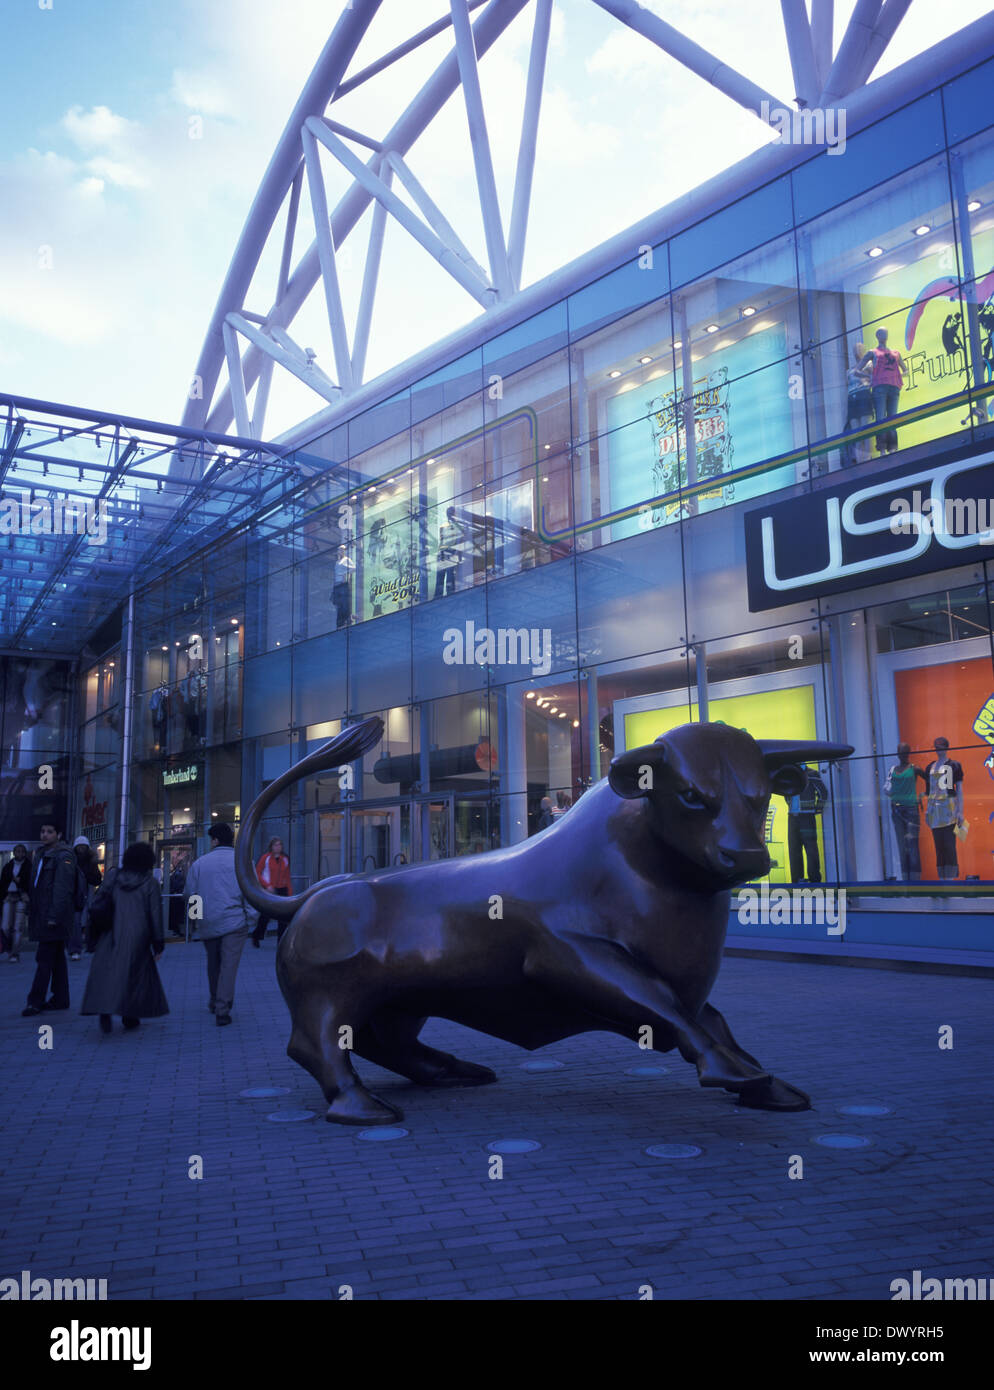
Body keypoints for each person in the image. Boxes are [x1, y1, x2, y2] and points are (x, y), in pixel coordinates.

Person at [80, 841, 168, 1034]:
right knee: (135, 975)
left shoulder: (113, 876)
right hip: (139, 933)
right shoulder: (149, 882)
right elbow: (155, 912)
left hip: (111, 930)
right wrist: (158, 941)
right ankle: (130, 1014)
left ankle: (105, 1008)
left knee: (107, 970)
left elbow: (98, 901)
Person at [184, 822, 252, 1027]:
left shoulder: (199, 864)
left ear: (214, 840)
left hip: (208, 922)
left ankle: (215, 1000)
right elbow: (251, 892)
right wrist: (251, 918)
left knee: (213, 964)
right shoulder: (242, 862)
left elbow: (190, 894)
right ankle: (222, 1009)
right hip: (234, 921)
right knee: (228, 967)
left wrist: (196, 919)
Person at [22, 823, 76, 1017]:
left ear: (59, 834)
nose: (44, 835)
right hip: (43, 914)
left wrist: (53, 916)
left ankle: (35, 1001)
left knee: (44, 959)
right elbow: (36, 885)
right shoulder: (41, 854)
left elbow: (62, 889)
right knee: (56, 959)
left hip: (53, 916)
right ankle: (61, 998)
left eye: (49, 832)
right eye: (42, 831)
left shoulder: (64, 856)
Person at [859, 327, 907, 455]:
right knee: (880, 418)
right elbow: (858, 370)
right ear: (877, 336)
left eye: (885, 333)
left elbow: (905, 369)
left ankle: (892, 447)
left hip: (894, 387)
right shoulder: (872, 352)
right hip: (879, 387)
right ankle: (882, 449)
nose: (884, 335)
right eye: (881, 333)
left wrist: (901, 376)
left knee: (892, 417)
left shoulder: (896, 353)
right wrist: (870, 376)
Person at [883, 743, 926, 881]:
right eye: (900, 752)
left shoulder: (915, 769)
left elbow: (931, 781)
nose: (901, 755)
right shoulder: (892, 769)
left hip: (911, 810)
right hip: (896, 810)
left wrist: (922, 795)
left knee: (913, 847)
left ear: (908, 753)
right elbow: (887, 788)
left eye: (904, 752)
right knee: (902, 847)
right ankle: (906, 882)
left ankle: (916, 883)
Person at [923, 737, 965, 880]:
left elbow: (959, 789)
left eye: (940, 746)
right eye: (936, 746)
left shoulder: (954, 765)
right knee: (939, 845)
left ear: (947, 747)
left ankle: (951, 878)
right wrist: (927, 811)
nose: (937, 749)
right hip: (935, 811)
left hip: (949, 809)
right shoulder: (930, 767)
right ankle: (942, 878)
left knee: (949, 844)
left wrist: (960, 811)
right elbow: (929, 792)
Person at [786, 768, 828, 883]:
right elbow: (786, 792)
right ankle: (797, 879)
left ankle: (814, 878)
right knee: (794, 849)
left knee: (811, 849)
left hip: (806, 816)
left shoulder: (811, 773)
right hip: (792, 816)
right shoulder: (791, 774)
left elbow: (822, 792)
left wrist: (817, 808)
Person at [250, 838, 292, 947]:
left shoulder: (285, 859)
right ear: (271, 847)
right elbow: (258, 873)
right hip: (270, 889)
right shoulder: (266, 858)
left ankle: (281, 942)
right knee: (266, 916)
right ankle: (256, 935)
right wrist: (266, 885)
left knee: (282, 917)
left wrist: (290, 894)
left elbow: (287, 877)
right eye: (275, 845)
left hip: (282, 889)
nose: (278, 847)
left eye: (279, 845)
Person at [68, 835, 102, 961]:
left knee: (87, 921)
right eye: (79, 846)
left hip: (87, 894)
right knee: (75, 922)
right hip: (75, 895)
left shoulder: (91, 862)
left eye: (83, 846)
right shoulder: (71, 861)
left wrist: (87, 876)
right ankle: (75, 949)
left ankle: (89, 945)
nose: (81, 849)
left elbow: (97, 880)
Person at [842, 342, 873, 466]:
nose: (857, 351)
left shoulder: (869, 365)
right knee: (856, 432)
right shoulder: (849, 371)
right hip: (852, 400)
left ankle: (868, 458)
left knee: (865, 429)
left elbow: (873, 379)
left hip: (864, 397)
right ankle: (860, 460)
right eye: (855, 349)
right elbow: (847, 386)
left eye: (859, 349)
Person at [0, 843, 31, 962]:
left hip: (21, 896)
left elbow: (29, 883)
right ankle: (9, 948)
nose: (20, 854)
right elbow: (2, 883)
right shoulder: (8, 866)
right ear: (14, 852)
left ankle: (15, 953)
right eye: (17, 851)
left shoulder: (28, 866)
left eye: (22, 851)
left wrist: (19, 882)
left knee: (18, 927)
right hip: (8, 896)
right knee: (5, 926)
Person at [332, 544, 355, 628]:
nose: (341, 551)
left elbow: (353, 568)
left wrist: (345, 574)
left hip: (343, 583)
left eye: (342, 550)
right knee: (339, 604)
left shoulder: (346, 560)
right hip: (337, 585)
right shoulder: (337, 562)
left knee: (344, 603)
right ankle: (340, 622)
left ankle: (346, 619)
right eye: (340, 550)